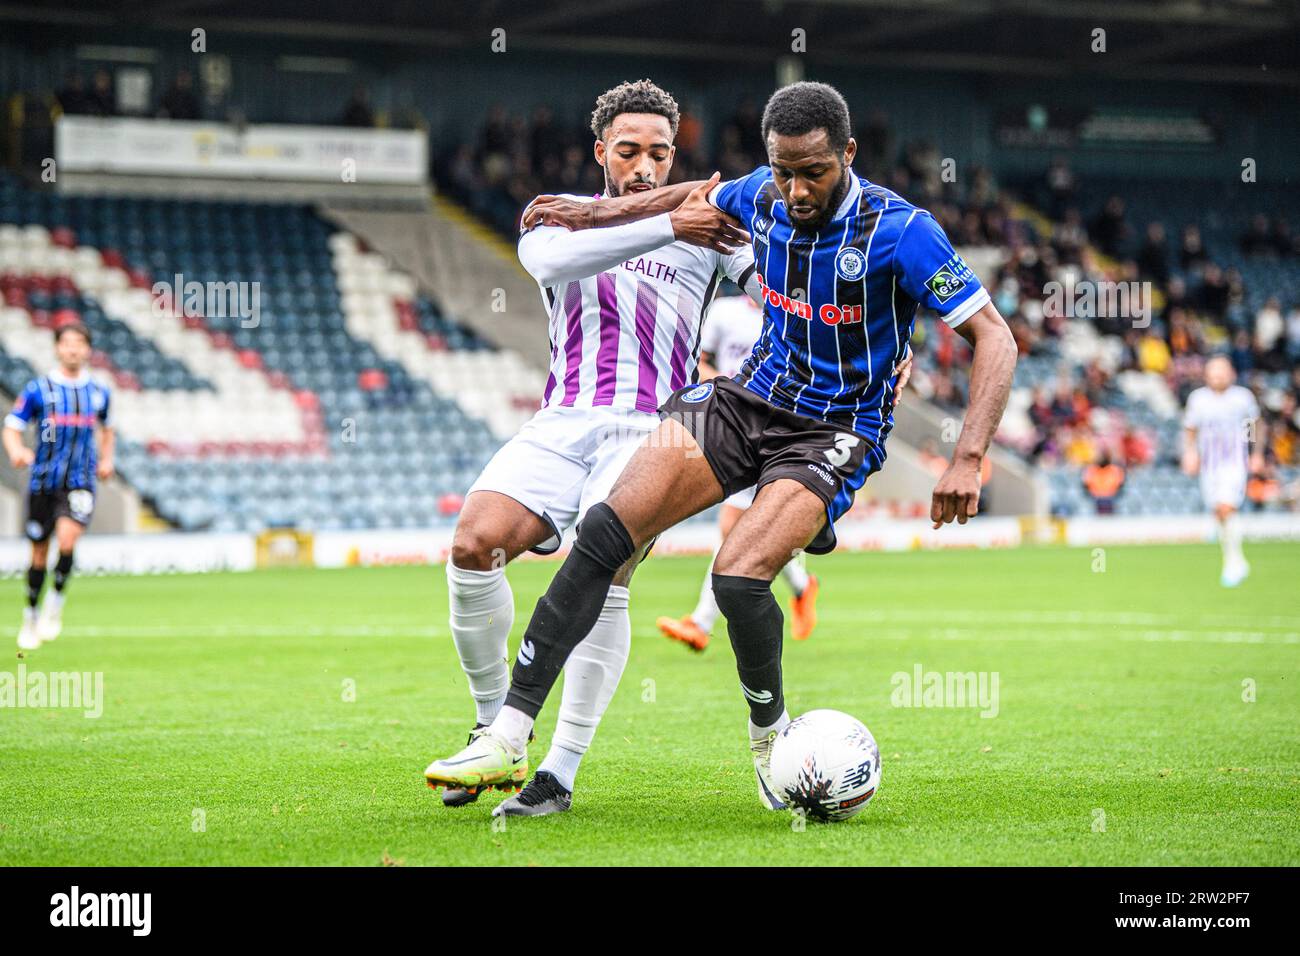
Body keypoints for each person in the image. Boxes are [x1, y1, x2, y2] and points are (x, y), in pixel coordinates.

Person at [424, 81, 1016, 812]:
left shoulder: (901, 230)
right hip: (724, 402)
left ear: (849, 154)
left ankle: (767, 737)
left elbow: (994, 335)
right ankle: (506, 734)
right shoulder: (737, 196)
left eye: (813, 173)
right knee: (594, 537)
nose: (796, 191)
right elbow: (700, 197)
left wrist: (966, 455)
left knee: (735, 579)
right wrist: (593, 211)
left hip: (829, 427)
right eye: (783, 172)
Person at [424, 79, 755, 817]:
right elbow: (550, 266)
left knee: (604, 575)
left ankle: (558, 773)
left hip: (651, 431)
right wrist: (670, 224)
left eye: (660, 154)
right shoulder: (558, 216)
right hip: (561, 420)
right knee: (474, 544)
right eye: (629, 150)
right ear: (600, 150)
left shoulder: (710, 229)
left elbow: (772, 282)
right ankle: (493, 728)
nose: (645, 166)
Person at [655, 294, 913, 650]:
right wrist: (729, 386)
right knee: (744, 528)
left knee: (737, 527)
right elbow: (702, 362)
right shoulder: (725, 312)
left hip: (786, 424)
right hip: (739, 419)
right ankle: (799, 587)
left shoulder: (795, 313)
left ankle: (702, 621)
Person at [3, 323, 114, 654]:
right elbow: (12, 426)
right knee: (39, 552)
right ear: (57, 348)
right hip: (43, 481)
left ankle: (55, 602)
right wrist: (17, 451)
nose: (73, 349)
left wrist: (107, 458)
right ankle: (31, 615)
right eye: (67, 343)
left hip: (80, 480)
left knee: (67, 539)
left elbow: (107, 428)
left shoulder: (98, 391)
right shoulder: (39, 389)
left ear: (88, 349)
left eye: (79, 343)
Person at [1182, 355, 1264, 586]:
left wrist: (1255, 453)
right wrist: (1190, 453)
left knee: (1226, 507)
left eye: (1221, 370)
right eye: (1213, 371)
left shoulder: (1242, 397)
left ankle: (1234, 561)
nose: (1217, 375)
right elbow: (1191, 428)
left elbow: (1253, 426)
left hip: (1234, 462)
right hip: (1209, 465)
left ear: (1231, 373)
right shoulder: (1198, 399)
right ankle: (1235, 559)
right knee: (1218, 511)